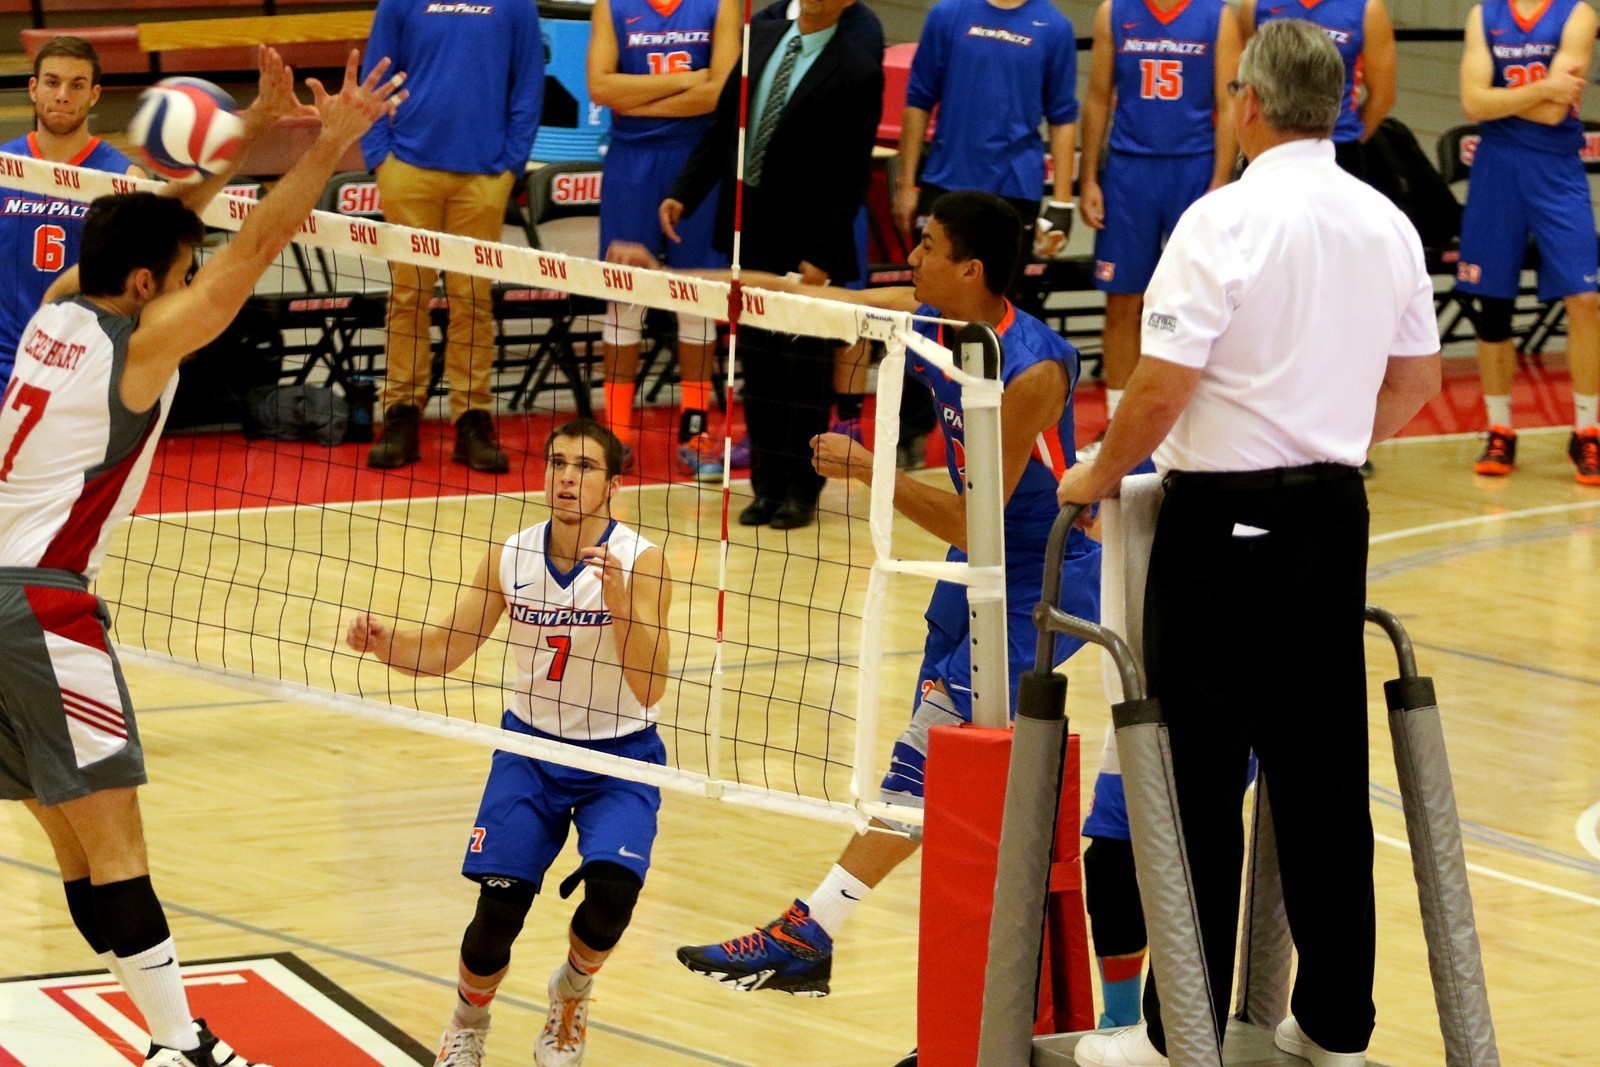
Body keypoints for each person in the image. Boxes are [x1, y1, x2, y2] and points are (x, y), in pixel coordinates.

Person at [0, 49, 404, 1067]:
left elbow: (164, 230)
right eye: (176, 278)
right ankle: (182, 1046)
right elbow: (253, 251)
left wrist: (241, 141)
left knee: (77, 844)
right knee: (119, 842)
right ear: (148, 286)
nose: (189, 285)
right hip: (42, 608)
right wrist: (325, 150)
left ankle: (159, 1016)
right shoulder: (137, 346)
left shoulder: (58, 301)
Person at [1058, 21, 1439, 1067]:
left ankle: (1181, 1030)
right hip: (1333, 514)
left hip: (1221, 521)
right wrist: (1327, 442)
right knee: (1322, 771)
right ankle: (1333, 1027)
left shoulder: (1221, 220)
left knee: (1194, 773)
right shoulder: (1383, 219)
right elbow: (1416, 385)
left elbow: (1160, 385)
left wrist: (1094, 474)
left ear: (1249, 104)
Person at [620, 190, 1101, 996]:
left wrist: (870, 469)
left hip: (1037, 578)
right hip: (969, 572)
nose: (910, 259)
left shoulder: (1033, 369)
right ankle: (952, 975)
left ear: (970, 268)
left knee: (923, 763)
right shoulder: (932, 319)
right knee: (938, 768)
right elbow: (818, 299)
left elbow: (979, 519)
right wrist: (672, 279)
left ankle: (810, 930)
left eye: (927, 247)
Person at [345, 418, 672, 1067]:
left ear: (613, 482)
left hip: (619, 754)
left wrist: (621, 603)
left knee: (612, 897)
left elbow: (651, 685)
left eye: (583, 466)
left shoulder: (641, 559)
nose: (567, 477)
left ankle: (571, 994)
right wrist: (387, 646)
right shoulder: (510, 555)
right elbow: (448, 645)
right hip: (531, 751)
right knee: (499, 908)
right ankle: (468, 1023)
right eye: (557, 463)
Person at [663, 0, 883, 530]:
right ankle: (765, 485)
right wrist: (684, 194)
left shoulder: (856, 67)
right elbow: (722, 131)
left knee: (802, 369)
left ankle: (801, 490)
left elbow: (849, 173)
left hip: (806, 239)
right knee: (759, 363)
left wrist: (821, 255)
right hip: (750, 227)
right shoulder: (760, 39)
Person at [361, 0, 543, 474]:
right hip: (408, 169)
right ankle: (401, 414)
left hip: (484, 176)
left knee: (473, 299)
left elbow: (527, 84)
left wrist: (512, 165)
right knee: (408, 295)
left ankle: (472, 418)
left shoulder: (516, 5)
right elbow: (376, 77)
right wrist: (381, 156)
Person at [588, 0, 740, 478]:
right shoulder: (610, 6)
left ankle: (696, 429)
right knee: (622, 299)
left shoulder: (721, 5)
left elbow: (721, 93)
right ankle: (615, 433)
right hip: (631, 161)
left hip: (698, 162)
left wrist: (635, 97)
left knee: (697, 295)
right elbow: (599, 86)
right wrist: (686, 81)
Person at [1455, 0, 1599, 483]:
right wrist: (1542, 88)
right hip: (1496, 169)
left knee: (1585, 300)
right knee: (1491, 305)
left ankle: (1586, 430)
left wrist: (1504, 98)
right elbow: (1472, 105)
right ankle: (1501, 428)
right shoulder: (1483, 15)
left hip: (1557, 171)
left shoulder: (1578, 14)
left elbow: (1556, 111)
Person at [0, 35, 139, 386]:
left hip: (82, 364)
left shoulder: (122, 180)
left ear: (94, 94)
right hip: (5, 358)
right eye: (52, 82)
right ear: (33, 88)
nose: (62, 94)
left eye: (77, 85)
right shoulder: (3, 167)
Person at [891, 0, 1079, 250]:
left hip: (1015, 190)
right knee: (931, 287)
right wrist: (905, 186)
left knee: (999, 290)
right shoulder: (947, 14)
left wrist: (1062, 203)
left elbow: (1062, 118)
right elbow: (917, 100)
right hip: (945, 182)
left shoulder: (1055, 27)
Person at [1240, 0, 1396, 180]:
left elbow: (1383, 96)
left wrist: (1351, 137)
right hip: (1268, 146)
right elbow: (1243, 84)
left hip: (1338, 147)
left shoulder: (1368, 9)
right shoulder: (1255, 5)